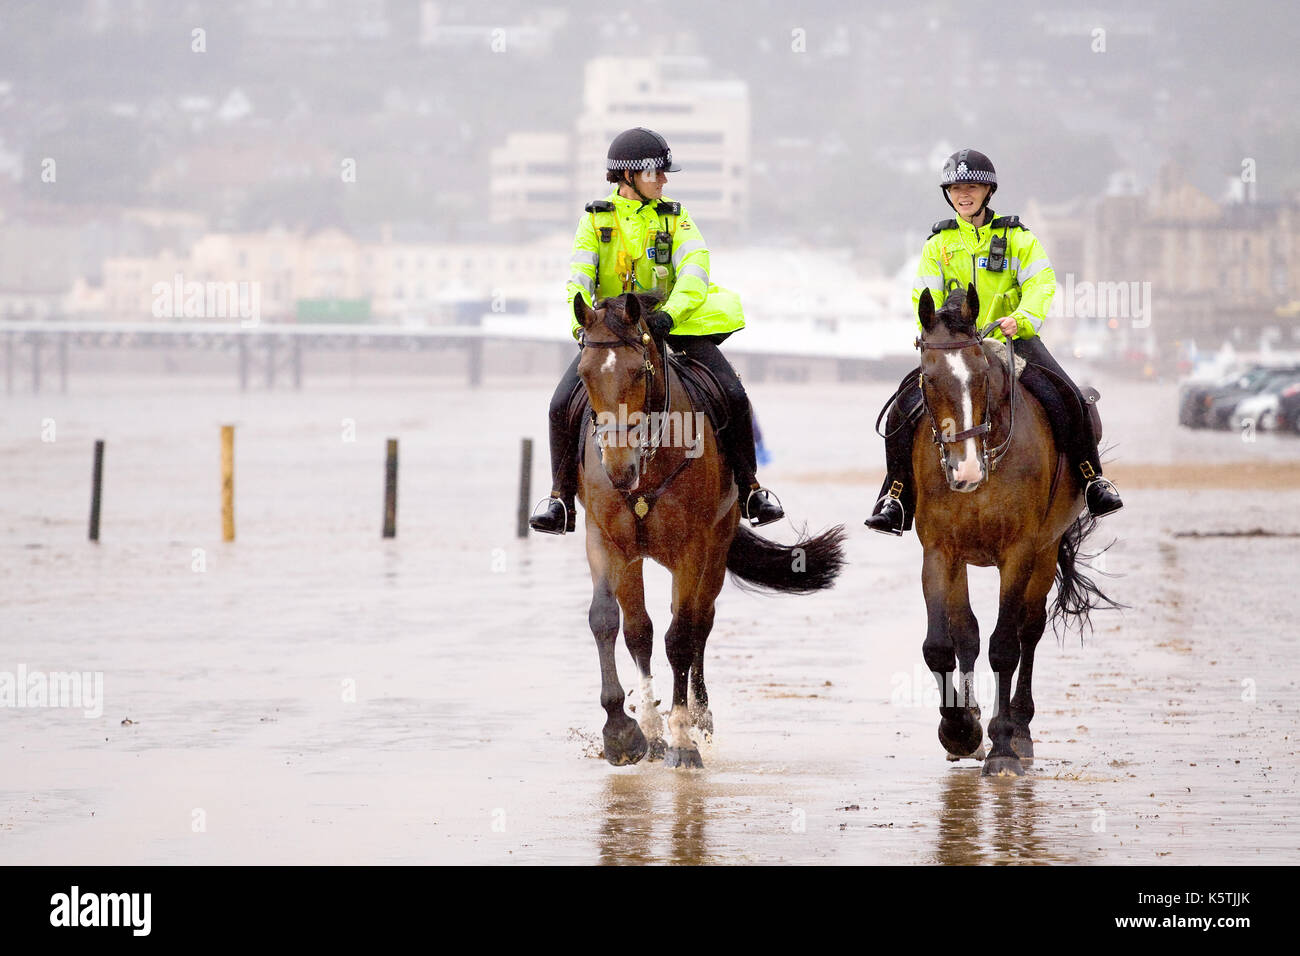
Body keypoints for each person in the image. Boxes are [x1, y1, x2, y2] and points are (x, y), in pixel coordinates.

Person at [529, 127, 783, 534]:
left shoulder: (676, 218)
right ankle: (560, 501)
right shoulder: (595, 220)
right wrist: (584, 324)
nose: (664, 180)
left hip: (671, 326)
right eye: (657, 173)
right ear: (628, 176)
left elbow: (696, 272)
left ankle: (752, 489)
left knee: (734, 394)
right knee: (559, 406)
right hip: (612, 333)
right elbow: (578, 279)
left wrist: (671, 316)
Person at [864, 148, 1123, 535]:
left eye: (971, 187)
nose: (962, 194)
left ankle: (1092, 481)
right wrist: (937, 328)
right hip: (957, 346)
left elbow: (1041, 281)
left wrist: (1022, 319)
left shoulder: (1017, 237)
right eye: (955, 188)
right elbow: (925, 292)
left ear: (988, 191)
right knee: (903, 409)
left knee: (1068, 395)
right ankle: (896, 497)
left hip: (1011, 338)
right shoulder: (938, 244)